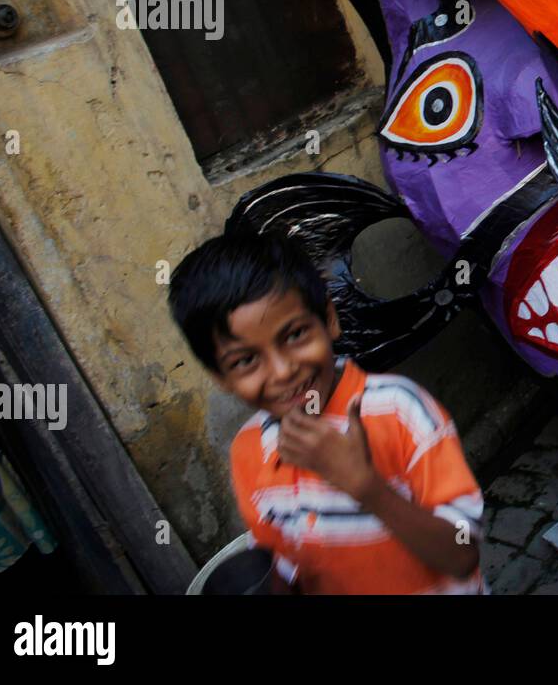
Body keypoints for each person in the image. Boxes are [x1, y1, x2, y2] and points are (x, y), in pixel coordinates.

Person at [168, 231, 483, 593]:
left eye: (295, 334)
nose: (283, 370)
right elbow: (286, 564)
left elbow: (462, 555)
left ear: (329, 319)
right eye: (246, 360)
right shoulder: (249, 452)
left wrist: (366, 487)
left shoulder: (401, 412)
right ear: (221, 377)